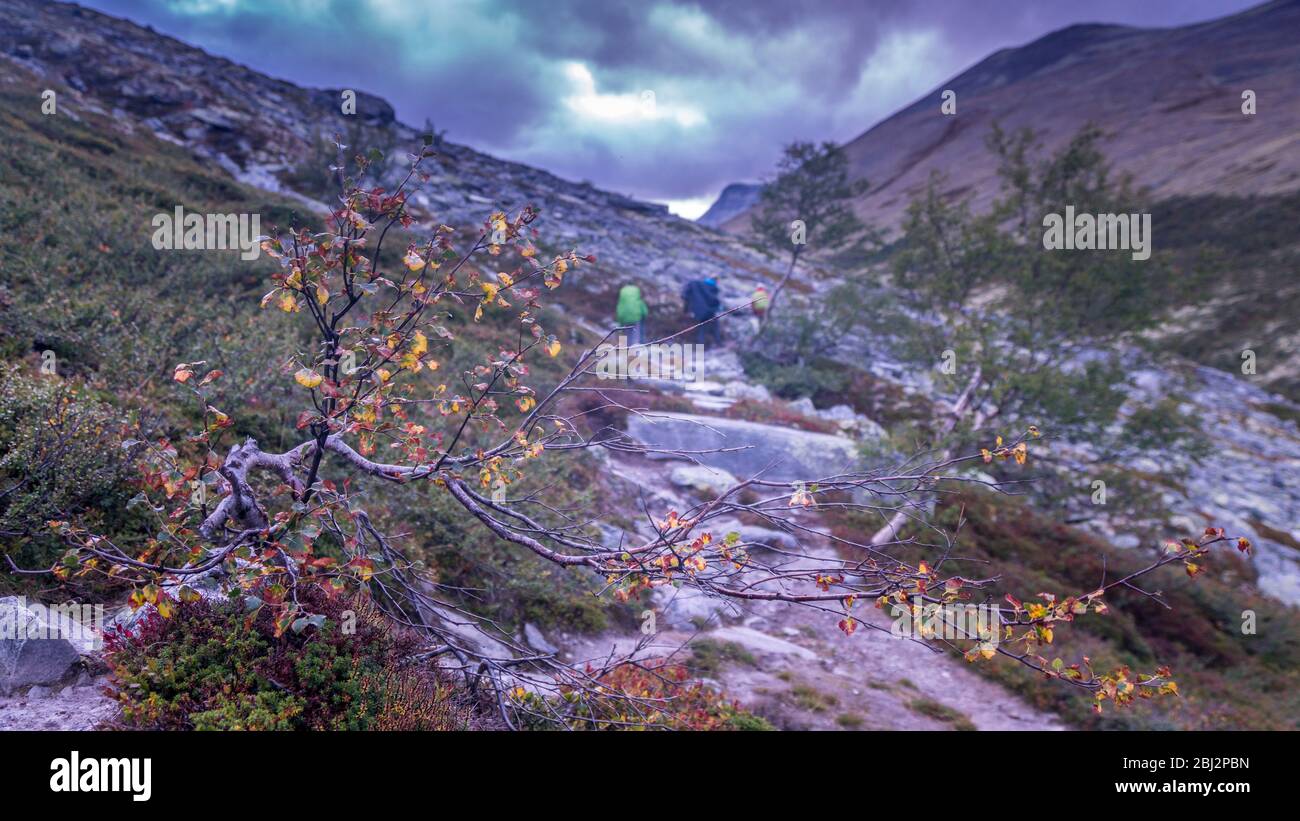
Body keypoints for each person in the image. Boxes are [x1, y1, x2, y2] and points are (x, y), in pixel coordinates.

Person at [681, 277, 722, 345]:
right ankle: (718, 342)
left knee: (702, 326)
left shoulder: (697, 284)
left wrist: (686, 310)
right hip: (709, 310)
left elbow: (687, 297)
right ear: (715, 280)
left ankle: (701, 343)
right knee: (714, 325)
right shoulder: (712, 287)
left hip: (699, 310)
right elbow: (713, 299)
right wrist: (717, 307)